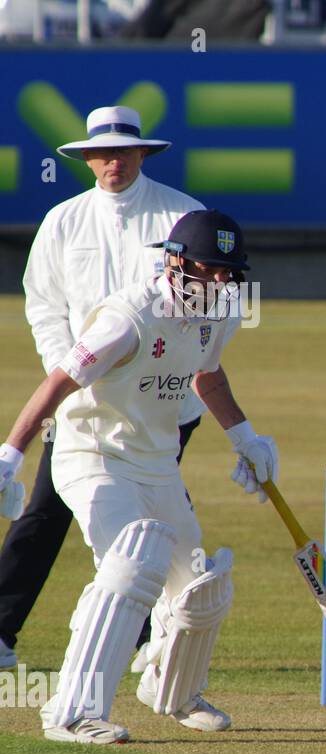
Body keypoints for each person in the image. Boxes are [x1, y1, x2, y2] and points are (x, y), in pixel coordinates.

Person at [0, 210, 278, 743]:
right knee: (131, 561)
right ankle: (71, 713)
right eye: (208, 268)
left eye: (228, 272)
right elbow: (59, 381)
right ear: (175, 262)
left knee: (200, 583)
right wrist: (12, 453)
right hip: (92, 454)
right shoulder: (129, 317)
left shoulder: (216, 314)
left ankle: (170, 688)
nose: (219, 281)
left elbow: (207, 374)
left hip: (156, 461)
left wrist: (246, 437)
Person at [0, 104, 205, 674]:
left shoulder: (182, 215)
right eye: (101, 152)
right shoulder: (63, 220)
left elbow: (204, 305)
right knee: (47, 510)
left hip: (162, 403)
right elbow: (44, 306)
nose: (112, 161)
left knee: (150, 514)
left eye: (122, 151)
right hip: (80, 400)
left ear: (142, 152)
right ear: (86, 157)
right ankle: (2, 630)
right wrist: (68, 376)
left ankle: (146, 642)